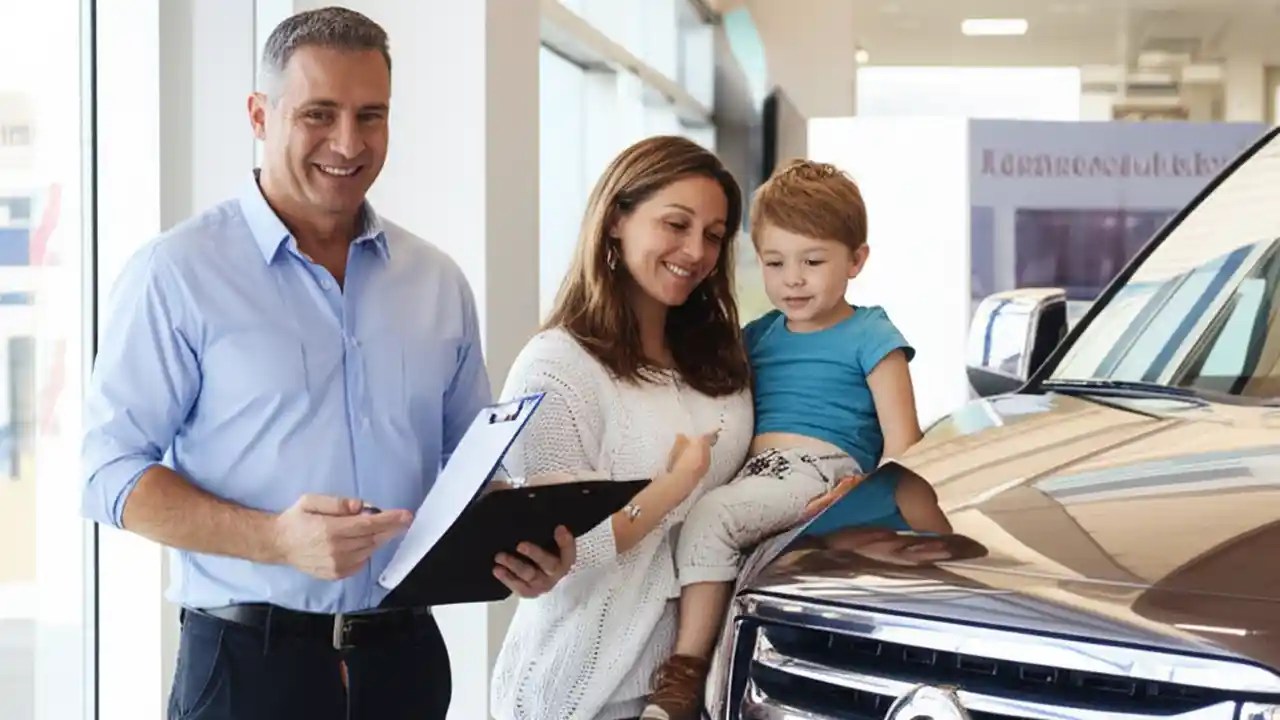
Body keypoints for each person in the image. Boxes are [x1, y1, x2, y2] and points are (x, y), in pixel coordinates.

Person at [79, 8, 573, 720]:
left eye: (371, 116)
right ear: (259, 114)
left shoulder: (436, 281)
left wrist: (518, 546)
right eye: (319, 113)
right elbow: (109, 473)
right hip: (248, 669)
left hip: (406, 663)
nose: (348, 143)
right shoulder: (177, 272)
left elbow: (472, 467)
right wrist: (275, 538)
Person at [641, 159, 953, 720]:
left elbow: (906, 446)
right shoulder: (756, 337)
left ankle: (682, 679)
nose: (793, 280)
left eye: (813, 261)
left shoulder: (872, 334)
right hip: (760, 476)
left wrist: (861, 495)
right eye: (775, 263)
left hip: (822, 472)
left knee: (713, 518)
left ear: (856, 259)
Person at [487, 135, 762, 720]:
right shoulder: (557, 367)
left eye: (713, 235)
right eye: (676, 224)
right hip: (584, 695)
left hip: (703, 691)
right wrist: (670, 488)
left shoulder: (721, 363)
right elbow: (554, 554)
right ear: (616, 219)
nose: (696, 250)